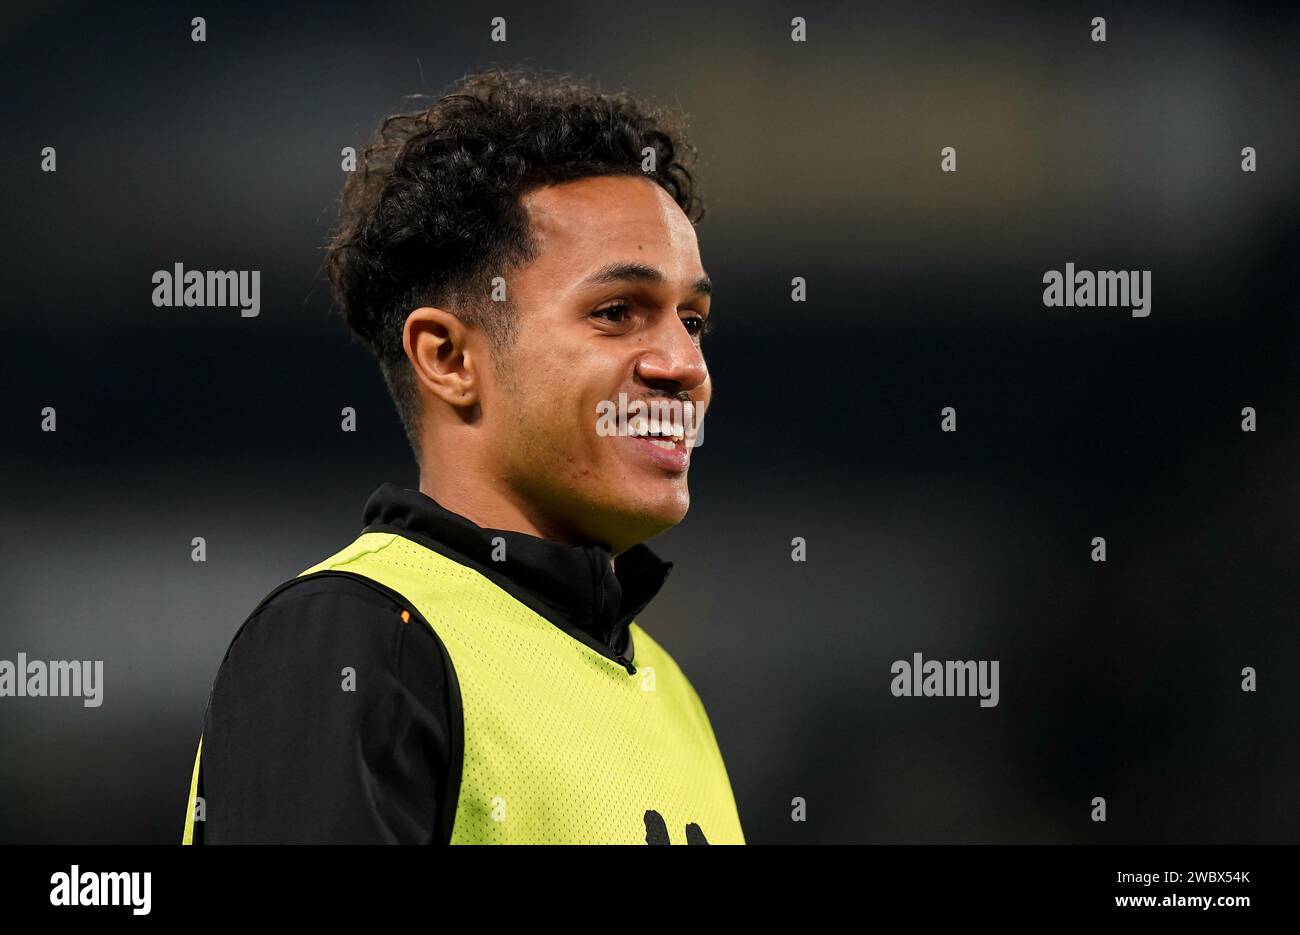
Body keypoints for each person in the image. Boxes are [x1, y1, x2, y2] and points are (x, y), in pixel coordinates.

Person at [181, 66, 743, 844]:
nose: (684, 365)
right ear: (447, 357)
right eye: (617, 312)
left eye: (693, 320)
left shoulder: (668, 688)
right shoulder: (351, 640)